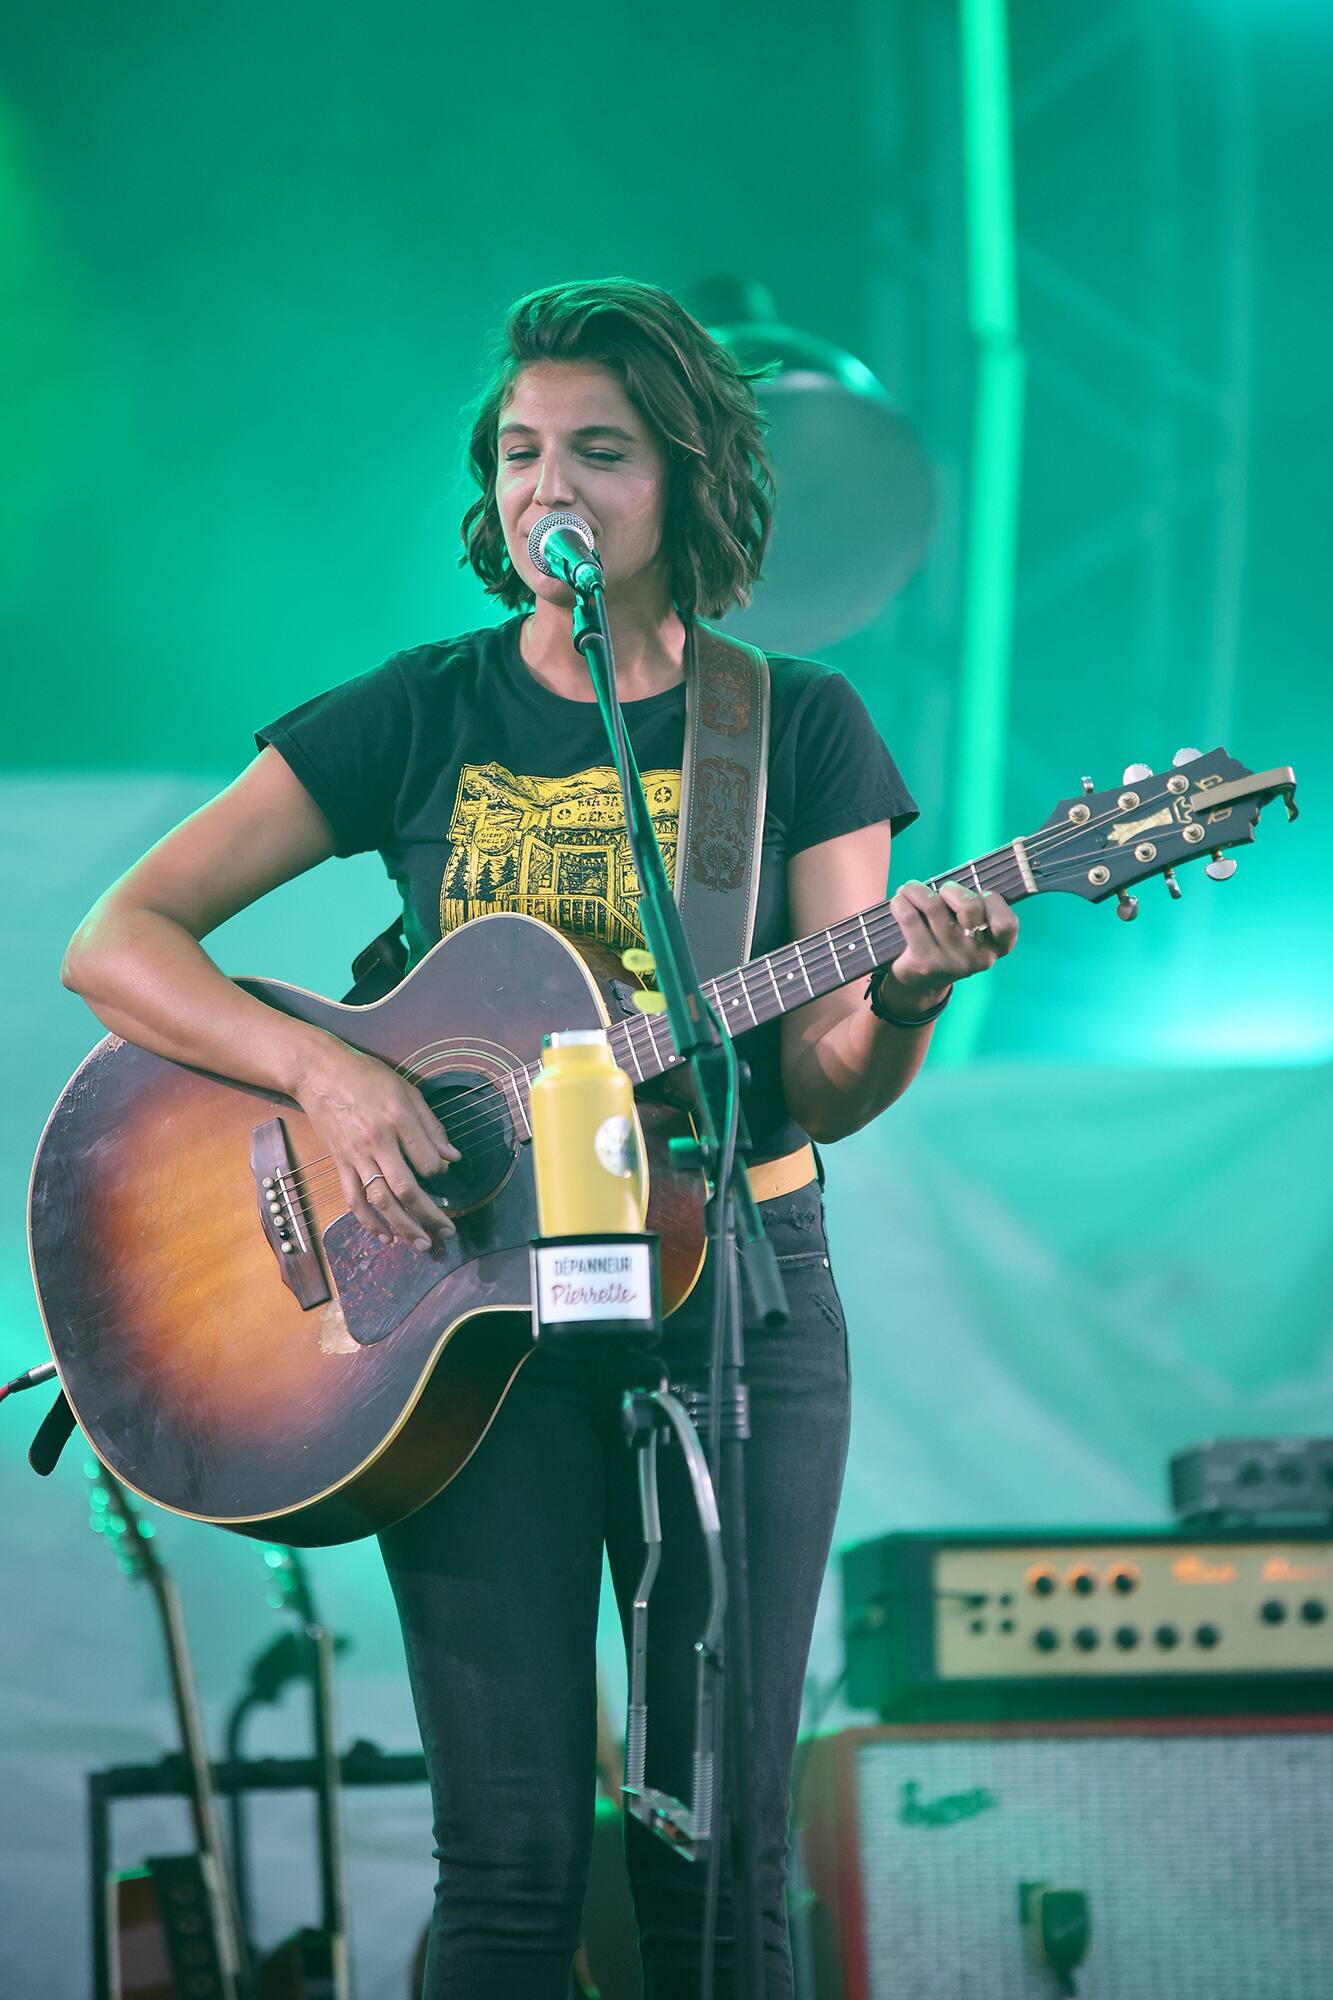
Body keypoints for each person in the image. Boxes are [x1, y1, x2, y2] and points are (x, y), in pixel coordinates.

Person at [60, 277, 1018, 1997]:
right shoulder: (420, 709)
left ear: (689, 484)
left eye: (598, 453)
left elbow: (814, 1082)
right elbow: (115, 941)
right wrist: (330, 1082)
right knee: (508, 1862)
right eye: (519, 453)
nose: (547, 491)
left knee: (724, 1866)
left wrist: (907, 999)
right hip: (469, 1317)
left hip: (734, 1299)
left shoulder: (793, 726)